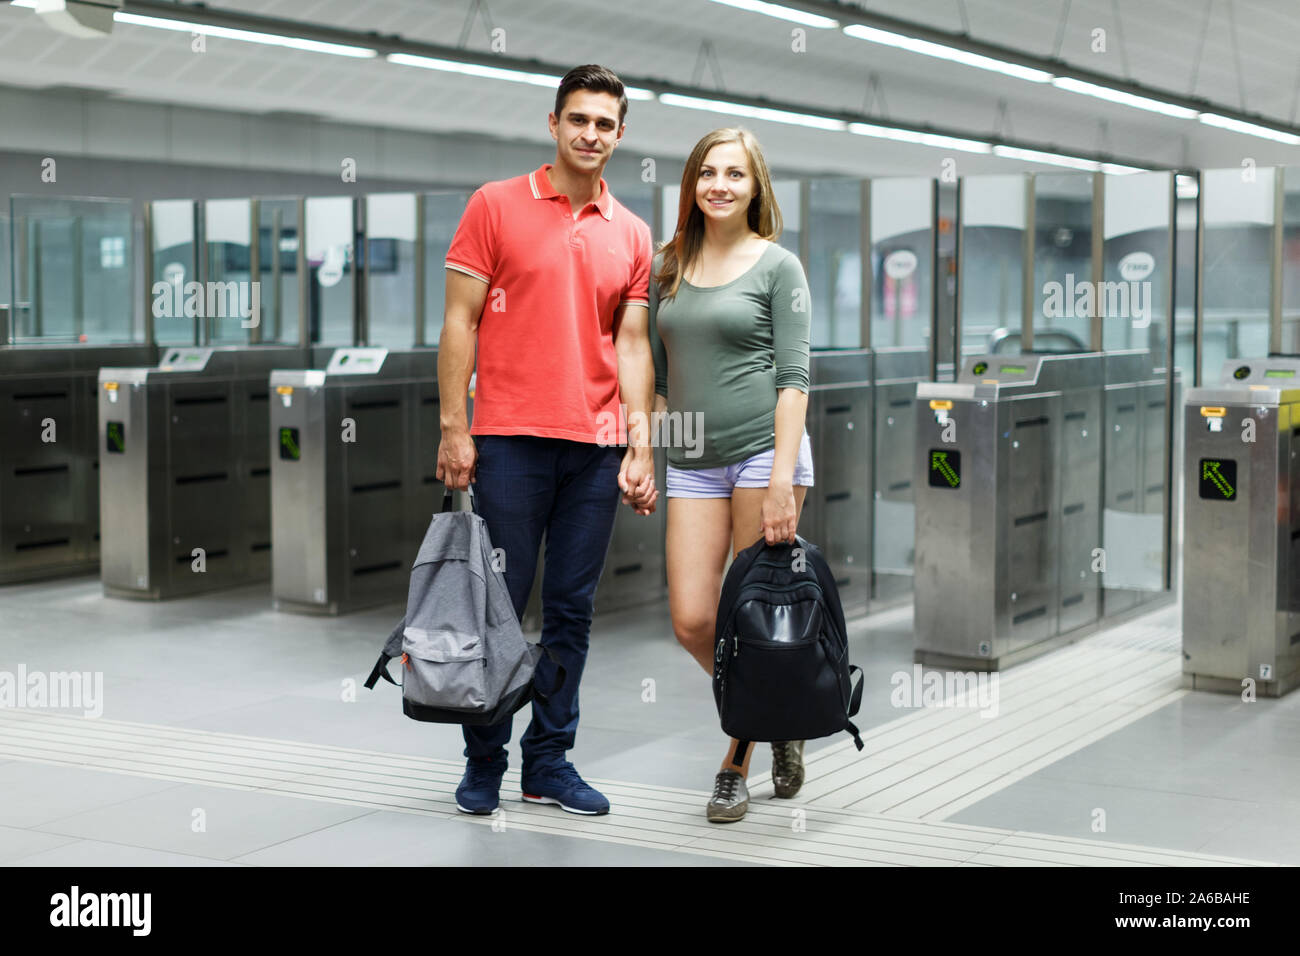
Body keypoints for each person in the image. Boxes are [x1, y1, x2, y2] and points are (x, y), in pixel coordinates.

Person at [436, 64, 658, 817]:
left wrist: (640, 445)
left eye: (605, 123)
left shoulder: (631, 232)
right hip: (509, 444)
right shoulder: (495, 205)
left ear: (620, 135)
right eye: (579, 119)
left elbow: (632, 345)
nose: (591, 134)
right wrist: (454, 427)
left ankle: (549, 761)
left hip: (594, 451)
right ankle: (483, 761)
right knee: (495, 605)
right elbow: (460, 322)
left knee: (570, 611)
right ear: (554, 123)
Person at [648, 127, 814, 823]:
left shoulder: (780, 267)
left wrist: (781, 476)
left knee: (748, 618)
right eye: (707, 172)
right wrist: (644, 449)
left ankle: (733, 763)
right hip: (691, 460)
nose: (719, 184)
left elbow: (794, 377)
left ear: (755, 188)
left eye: (734, 175)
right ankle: (781, 713)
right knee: (693, 619)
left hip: (760, 455)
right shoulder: (667, 266)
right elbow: (660, 379)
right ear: (691, 183)